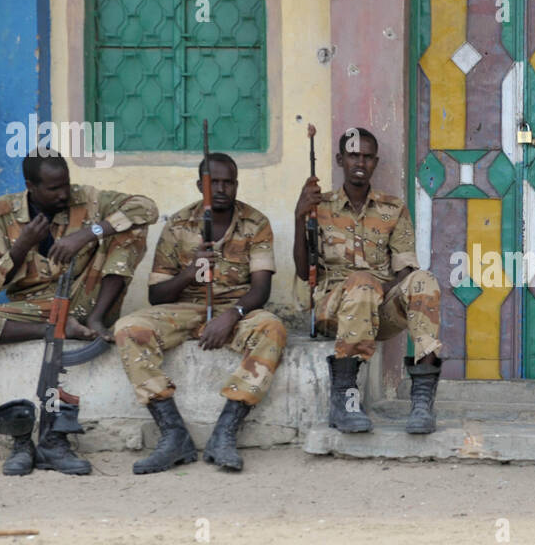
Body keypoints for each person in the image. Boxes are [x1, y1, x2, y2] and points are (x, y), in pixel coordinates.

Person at [0, 149, 158, 475]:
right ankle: (52, 330)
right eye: (53, 189)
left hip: (86, 300)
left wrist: (88, 233)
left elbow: (146, 208)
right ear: (30, 186)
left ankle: (92, 320)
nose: (63, 194)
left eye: (65, 184)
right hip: (34, 309)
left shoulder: (87, 200)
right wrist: (21, 246)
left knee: (129, 228)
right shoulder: (0, 214)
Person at [114, 152, 285, 474]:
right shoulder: (178, 224)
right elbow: (157, 295)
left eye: (228, 182)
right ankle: (173, 433)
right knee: (128, 328)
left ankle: (225, 433)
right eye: (213, 182)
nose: (221, 188)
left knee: (272, 327)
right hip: (185, 309)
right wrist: (188, 274)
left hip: (237, 309)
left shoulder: (255, 223)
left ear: (236, 185)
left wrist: (231, 314)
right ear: (199, 185)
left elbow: (261, 290)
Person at [294, 127, 443, 434]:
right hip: (333, 309)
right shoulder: (318, 206)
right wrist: (299, 216)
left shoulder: (392, 208)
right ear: (340, 160)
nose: (359, 161)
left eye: (367, 156)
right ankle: (345, 400)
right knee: (361, 282)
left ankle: (422, 401)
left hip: (378, 310)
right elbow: (300, 269)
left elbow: (404, 270)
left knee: (423, 280)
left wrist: (377, 291)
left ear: (375, 161)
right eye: (352, 155)